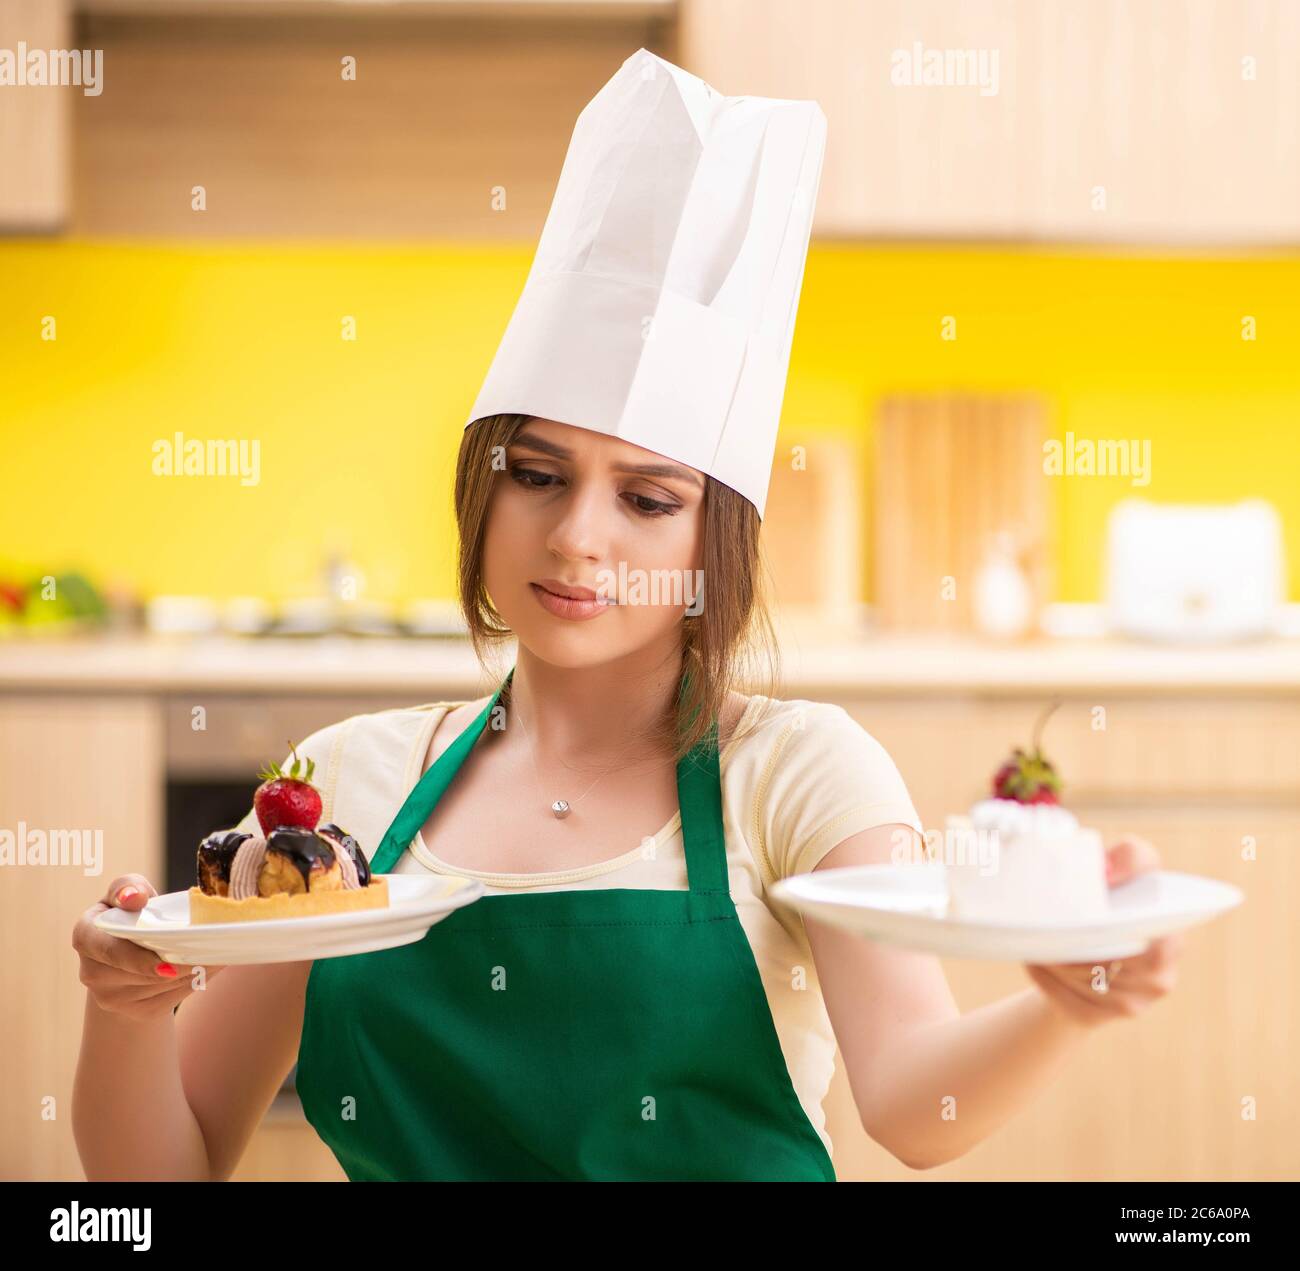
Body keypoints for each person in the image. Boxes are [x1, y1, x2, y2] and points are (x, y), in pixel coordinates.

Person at [70, 50, 1182, 1182]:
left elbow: (914, 1105)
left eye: (648, 498)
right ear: (482, 485)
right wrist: (125, 1012)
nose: (575, 537)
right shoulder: (344, 788)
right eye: (538, 475)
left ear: (716, 540)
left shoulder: (801, 773)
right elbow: (167, 1171)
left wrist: (1067, 1002)